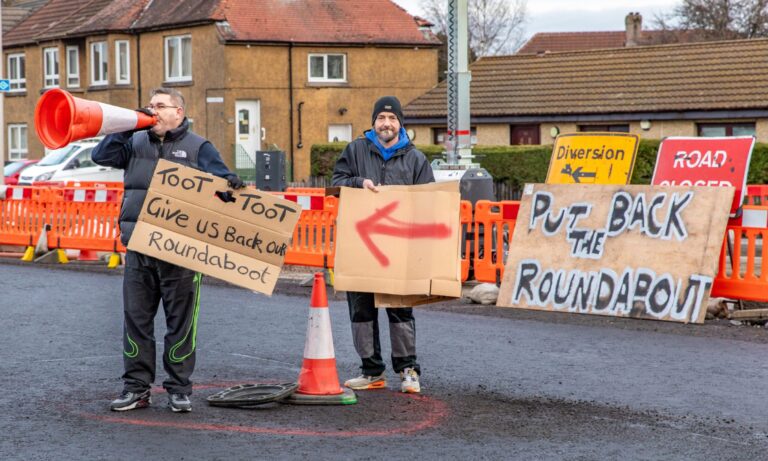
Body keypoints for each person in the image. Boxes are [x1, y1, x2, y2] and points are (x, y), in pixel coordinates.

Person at [92, 88, 245, 412]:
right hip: (139, 248)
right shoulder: (134, 142)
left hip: (181, 251)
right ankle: (136, 388)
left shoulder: (198, 147)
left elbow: (223, 181)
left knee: (181, 324)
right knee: (136, 321)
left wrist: (232, 184)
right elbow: (100, 157)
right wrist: (126, 127)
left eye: (160, 106)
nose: (153, 111)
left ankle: (178, 389)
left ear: (178, 111)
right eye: (151, 106)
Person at [332, 96, 435, 394]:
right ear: (373, 121)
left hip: (398, 248)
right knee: (361, 311)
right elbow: (337, 181)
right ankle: (371, 371)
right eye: (381, 118)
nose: (386, 124)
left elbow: (430, 201)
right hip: (361, 244)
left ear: (400, 123)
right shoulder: (355, 150)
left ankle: (408, 370)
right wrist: (358, 182)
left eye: (392, 119)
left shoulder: (415, 158)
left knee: (399, 311)